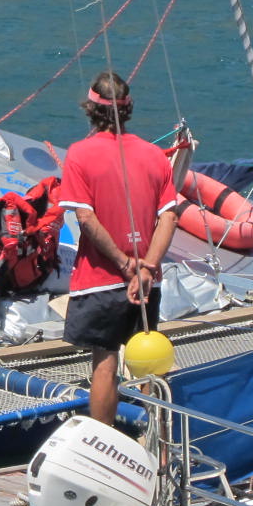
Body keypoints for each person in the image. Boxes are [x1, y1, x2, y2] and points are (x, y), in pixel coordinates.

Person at [59, 70, 178, 427]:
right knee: (151, 362)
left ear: (90, 110)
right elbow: (168, 218)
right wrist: (145, 267)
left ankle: (103, 443)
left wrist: (125, 264)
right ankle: (161, 445)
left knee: (105, 363)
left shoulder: (79, 155)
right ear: (128, 110)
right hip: (146, 282)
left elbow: (87, 219)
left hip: (101, 280)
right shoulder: (155, 155)